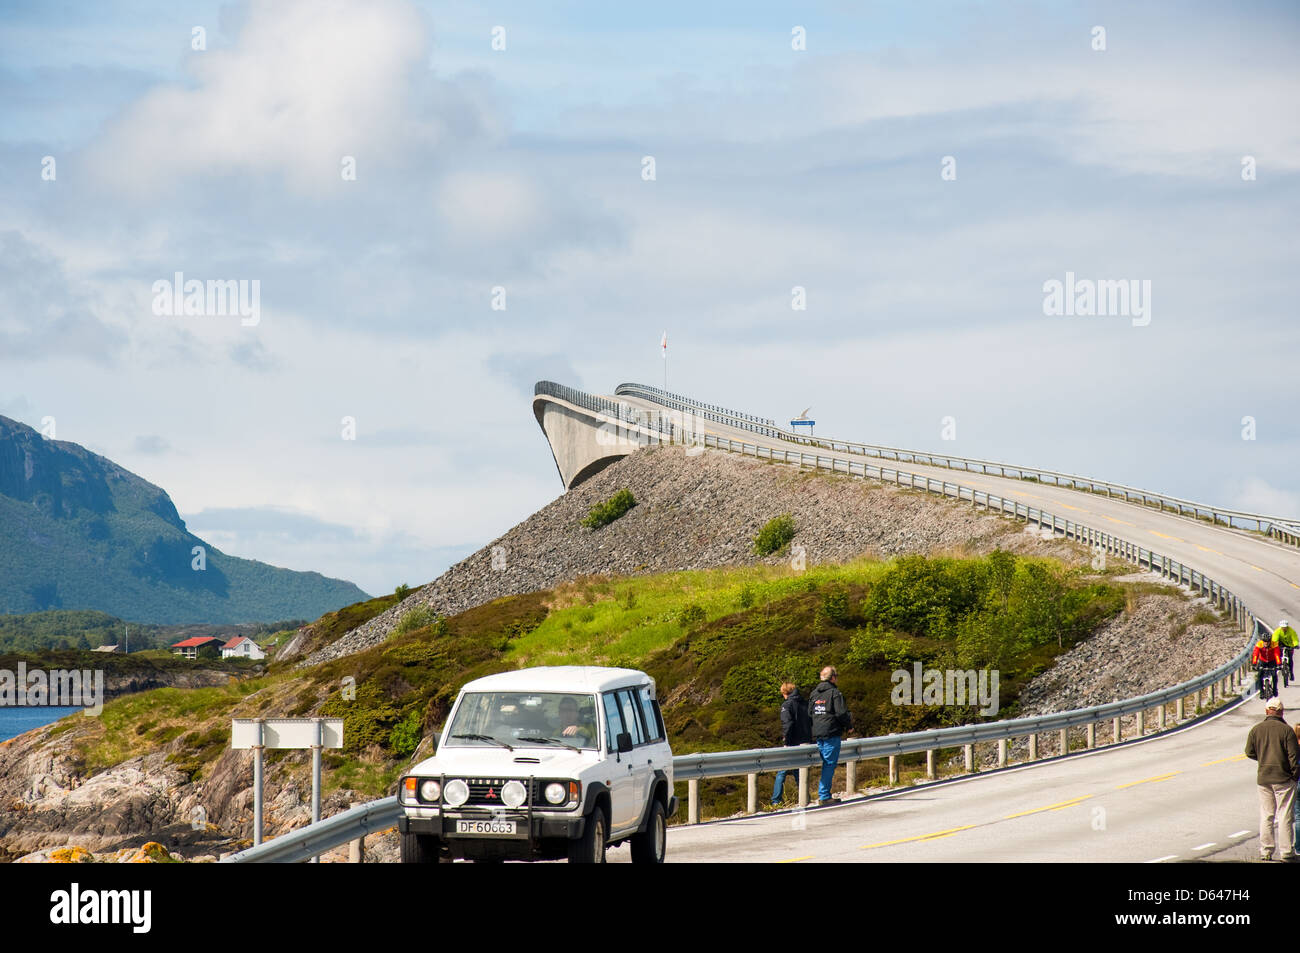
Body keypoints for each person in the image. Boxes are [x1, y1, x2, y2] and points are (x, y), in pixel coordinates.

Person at [1244, 696, 1300, 861]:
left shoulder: (1256, 729)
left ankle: (1266, 850)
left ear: (1267, 711)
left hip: (1264, 778)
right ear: (1281, 712)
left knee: (1267, 814)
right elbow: (1293, 756)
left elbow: (1249, 752)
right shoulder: (1286, 731)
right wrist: (1294, 775)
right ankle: (1286, 852)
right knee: (1284, 815)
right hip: (1283, 778)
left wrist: (1263, 759)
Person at [808, 666, 852, 807]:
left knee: (825, 763)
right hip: (831, 732)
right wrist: (849, 726)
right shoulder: (834, 693)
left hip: (818, 733)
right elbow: (841, 713)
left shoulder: (814, 693)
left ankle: (823, 793)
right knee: (829, 764)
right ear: (832, 677)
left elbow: (809, 712)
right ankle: (824, 795)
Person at [771, 680, 812, 806]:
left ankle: (776, 800)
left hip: (792, 742)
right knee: (799, 771)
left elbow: (787, 724)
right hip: (805, 741)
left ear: (785, 692)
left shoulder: (787, 705)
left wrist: (786, 740)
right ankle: (805, 797)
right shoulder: (805, 703)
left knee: (782, 771)